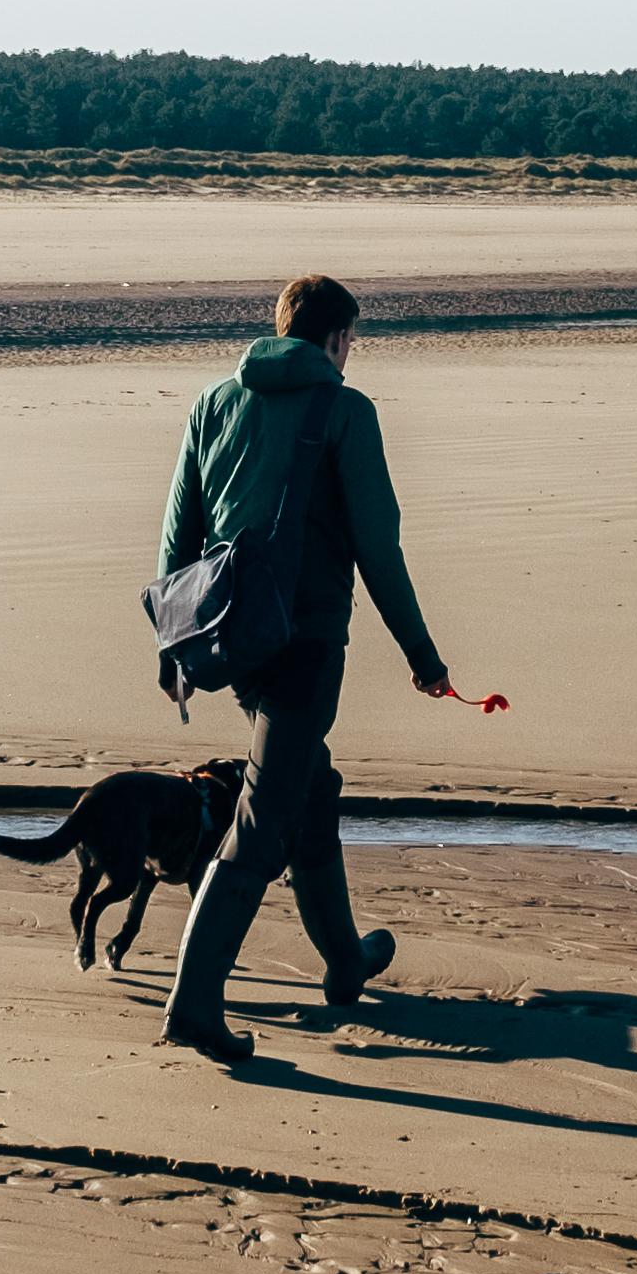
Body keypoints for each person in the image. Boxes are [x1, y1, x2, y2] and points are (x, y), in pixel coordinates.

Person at [147, 272, 451, 1069]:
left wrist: (173, 645)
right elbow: (377, 546)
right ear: (336, 338)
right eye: (352, 341)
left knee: (308, 785)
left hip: (234, 636)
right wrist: (421, 654)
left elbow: (177, 532)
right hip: (308, 643)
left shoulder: (213, 401)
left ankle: (345, 958)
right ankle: (193, 1006)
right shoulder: (346, 410)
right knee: (260, 822)